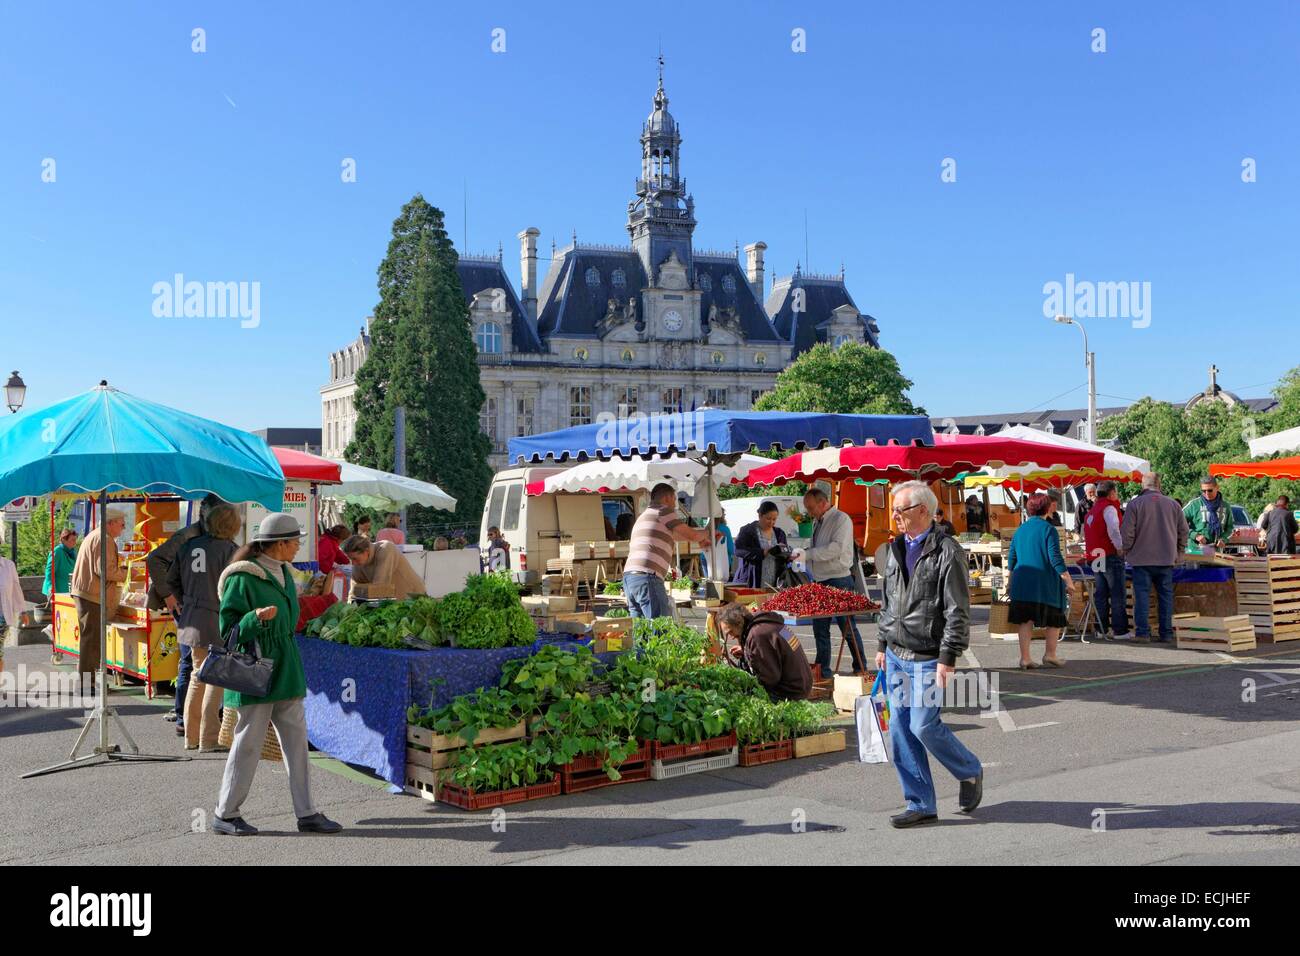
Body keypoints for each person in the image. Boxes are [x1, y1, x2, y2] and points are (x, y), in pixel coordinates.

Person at [212, 513, 341, 836]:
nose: (298, 546)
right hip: (255, 672)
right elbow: (227, 630)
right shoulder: (243, 579)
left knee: (297, 744)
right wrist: (253, 619)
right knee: (248, 745)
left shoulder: (284, 573)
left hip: (286, 669)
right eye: (295, 542)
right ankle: (225, 814)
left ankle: (307, 812)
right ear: (279, 544)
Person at [873, 480, 982, 828]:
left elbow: (957, 610)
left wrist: (949, 656)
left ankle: (970, 770)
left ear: (922, 510)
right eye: (893, 511)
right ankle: (920, 802)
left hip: (928, 656)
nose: (894, 517)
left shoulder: (947, 551)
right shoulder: (893, 549)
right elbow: (888, 603)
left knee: (922, 725)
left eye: (899, 511)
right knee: (901, 731)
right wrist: (881, 644)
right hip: (895, 653)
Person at [167, 503, 242, 751]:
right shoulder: (230, 550)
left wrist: (186, 600)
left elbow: (172, 581)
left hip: (191, 616)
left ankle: (191, 736)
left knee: (197, 675)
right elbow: (236, 589)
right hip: (216, 617)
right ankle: (209, 738)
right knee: (215, 677)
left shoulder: (189, 546)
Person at [147, 493, 222, 732]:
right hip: (187, 604)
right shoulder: (188, 536)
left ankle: (195, 718)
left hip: (199, 603)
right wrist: (169, 596)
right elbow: (155, 559)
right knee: (190, 660)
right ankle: (184, 718)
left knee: (195, 660)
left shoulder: (210, 536)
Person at [792, 487, 868, 675]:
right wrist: (804, 553)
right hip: (820, 580)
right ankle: (822, 670)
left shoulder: (841, 519)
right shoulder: (819, 521)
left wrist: (808, 554)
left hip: (839, 579)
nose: (809, 512)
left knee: (847, 628)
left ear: (822, 503)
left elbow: (835, 548)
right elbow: (819, 547)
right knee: (820, 629)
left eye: (811, 508)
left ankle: (861, 667)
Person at [1007, 492, 1078, 668]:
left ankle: (1025, 658)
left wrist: (1009, 582)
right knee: (1054, 617)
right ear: (1046, 508)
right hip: (1045, 582)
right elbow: (1055, 558)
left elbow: (1011, 559)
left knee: (1025, 619)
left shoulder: (1020, 529)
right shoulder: (1048, 529)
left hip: (1022, 581)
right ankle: (1050, 654)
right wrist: (1068, 581)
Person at [622, 483, 711, 620]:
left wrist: (699, 539)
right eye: (675, 499)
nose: (675, 504)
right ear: (667, 498)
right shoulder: (663, 511)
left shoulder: (645, 515)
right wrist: (708, 532)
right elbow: (691, 534)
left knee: (641, 631)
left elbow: (677, 535)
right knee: (660, 629)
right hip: (648, 577)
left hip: (630, 578)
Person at [1121, 472, 1188, 643]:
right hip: (1166, 558)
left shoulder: (1135, 504)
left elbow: (1127, 533)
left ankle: (1143, 633)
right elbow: (1184, 531)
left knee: (1142, 596)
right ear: (1159, 484)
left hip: (1141, 559)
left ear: (1143, 485)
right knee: (1165, 597)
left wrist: (1127, 550)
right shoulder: (1173, 505)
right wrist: (1179, 552)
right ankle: (1166, 633)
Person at [70, 508, 128, 679]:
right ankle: (88, 684)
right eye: (121, 524)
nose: (123, 528)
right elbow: (105, 571)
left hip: (87, 592)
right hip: (91, 594)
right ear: (111, 523)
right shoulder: (105, 539)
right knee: (92, 641)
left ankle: (89, 682)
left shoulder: (97, 535)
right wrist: (126, 573)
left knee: (90, 640)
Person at [717, 603, 812, 701]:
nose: (732, 637)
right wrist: (747, 652)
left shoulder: (757, 635)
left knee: (740, 698)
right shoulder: (768, 623)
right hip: (803, 682)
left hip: (790, 690)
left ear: (739, 623)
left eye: (731, 632)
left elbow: (768, 679)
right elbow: (775, 650)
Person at [1083, 480, 1129, 639]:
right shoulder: (1108, 508)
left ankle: (1101, 629)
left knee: (1101, 594)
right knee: (1116, 593)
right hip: (1108, 554)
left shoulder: (1092, 511)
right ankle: (1120, 630)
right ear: (1111, 493)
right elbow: (1114, 530)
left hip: (1096, 554)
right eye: (1116, 492)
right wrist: (1120, 547)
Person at [342, 534, 427, 598]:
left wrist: (360, 590)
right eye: (350, 559)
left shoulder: (385, 549)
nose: (353, 563)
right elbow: (353, 591)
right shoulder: (358, 563)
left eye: (355, 559)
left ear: (366, 551)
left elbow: (380, 588)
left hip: (413, 596)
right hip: (393, 601)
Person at [731, 501, 789, 589]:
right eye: (768, 518)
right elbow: (738, 551)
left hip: (774, 583)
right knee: (752, 603)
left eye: (774, 519)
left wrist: (787, 555)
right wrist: (762, 553)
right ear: (760, 515)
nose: (771, 522)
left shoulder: (779, 533)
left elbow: (784, 555)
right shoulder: (747, 531)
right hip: (751, 581)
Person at [1183, 476, 1233, 551]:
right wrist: (1195, 535)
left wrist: (1223, 539)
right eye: (1203, 491)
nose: (1206, 493)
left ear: (1217, 488)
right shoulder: (1194, 504)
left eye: (1210, 490)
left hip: (1215, 553)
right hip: (1195, 551)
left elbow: (1230, 528)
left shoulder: (1225, 506)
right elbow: (1178, 522)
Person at [42, 528, 78, 600]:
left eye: (75, 540)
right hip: (57, 591)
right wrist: (50, 587)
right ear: (63, 540)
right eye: (72, 540)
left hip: (68, 590)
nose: (75, 542)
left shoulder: (73, 552)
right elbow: (49, 572)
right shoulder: (57, 551)